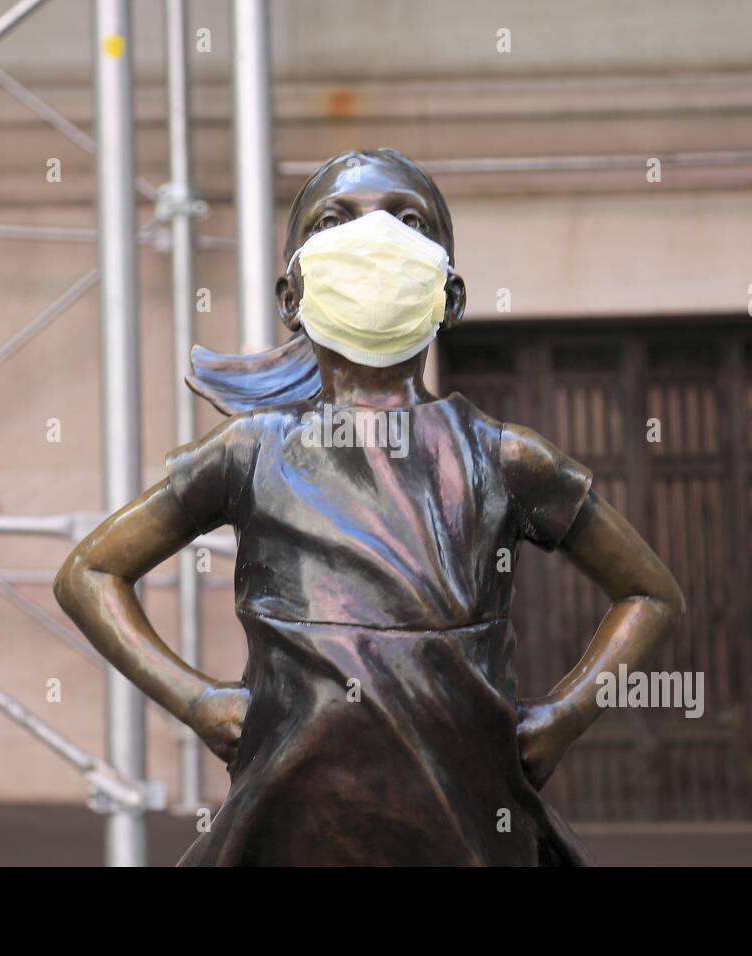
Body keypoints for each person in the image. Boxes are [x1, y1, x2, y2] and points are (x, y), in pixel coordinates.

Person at [54, 148, 684, 866]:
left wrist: (565, 715)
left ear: (450, 294)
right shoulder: (249, 452)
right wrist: (198, 701)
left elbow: (650, 594)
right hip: (285, 828)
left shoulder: (504, 459)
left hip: (470, 831)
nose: (374, 234)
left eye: (406, 218)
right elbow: (89, 573)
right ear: (291, 296)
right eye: (337, 218)